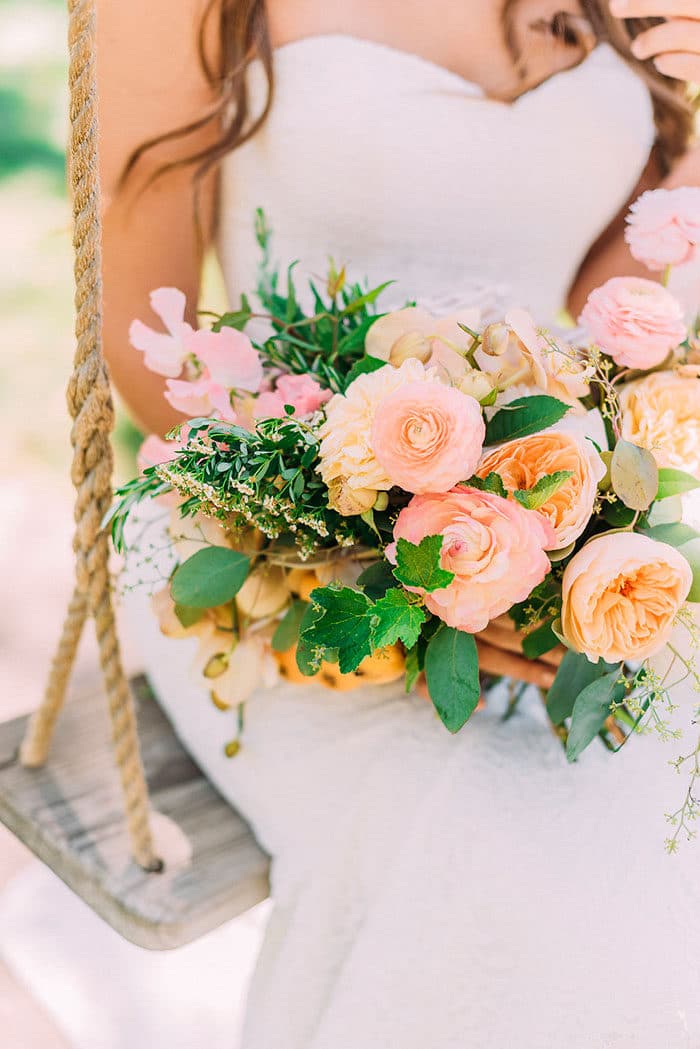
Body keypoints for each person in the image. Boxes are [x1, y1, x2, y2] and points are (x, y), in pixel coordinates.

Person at [99, 3, 700, 1046]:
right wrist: (405, 549)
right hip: (255, 534)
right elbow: (151, 349)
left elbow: (606, 314)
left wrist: (535, 539)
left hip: (551, 510)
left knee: (653, 841)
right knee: (486, 860)